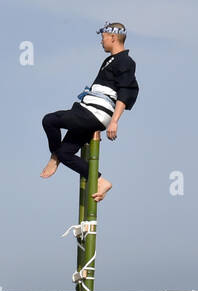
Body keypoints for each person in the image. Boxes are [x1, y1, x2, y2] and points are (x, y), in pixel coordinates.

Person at [40, 23, 138, 202]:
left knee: (50, 120)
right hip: (88, 112)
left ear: (113, 38)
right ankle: (101, 180)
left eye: (103, 37)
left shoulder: (125, 61)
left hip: (93, 114)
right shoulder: (111, 60)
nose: (101, 41)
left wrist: (114, 121)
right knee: (66, 153)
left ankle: (54, 155)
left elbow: (126, 92)